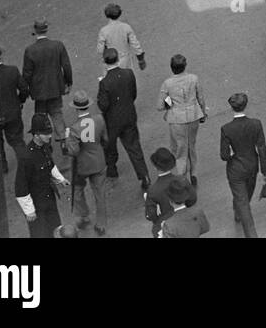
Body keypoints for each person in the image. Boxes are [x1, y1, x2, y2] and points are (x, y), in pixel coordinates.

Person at [220, 92, 266, 239]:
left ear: (231, 108)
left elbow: (224, 155)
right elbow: (261, 147)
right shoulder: (256, 124)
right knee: (246, 196)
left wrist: (231, 153)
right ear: (246, 105)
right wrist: (265, 171)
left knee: (242, 201)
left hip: (235, 170)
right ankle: (240, 213)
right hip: (252, 166)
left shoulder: (226, 129)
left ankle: (242, 217)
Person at [97, 46, 149, 190]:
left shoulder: (104, 82)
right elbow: (133, 94)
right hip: (129, 115)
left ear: (105, 62)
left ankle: (112, 169)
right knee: (134, 147)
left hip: (112, 121)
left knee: (110, 145)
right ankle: (144, 175)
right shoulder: (129, 74)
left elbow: (103, 105)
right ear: (118, 59)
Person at [14, 113, 68, 238]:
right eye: (46, 133)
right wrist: (29, 211)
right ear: (36, 134)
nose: (50, 136)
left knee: (56, 231)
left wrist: (60, 179)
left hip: (49, 199)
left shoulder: (44, 147)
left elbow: (50, 164)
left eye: (50, 132)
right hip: (36, 205)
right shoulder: (26, 157)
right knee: (40, 234)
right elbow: (20, 186)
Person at [159, 53, 207, 183]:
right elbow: (201, 98)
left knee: (180, 148)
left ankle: (181, 175)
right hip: (193, 115)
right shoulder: (194, 78)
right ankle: (194, 172)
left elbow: (160, 106)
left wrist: (169, 104)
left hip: (176, 119)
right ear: (185, 66)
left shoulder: (167, 83)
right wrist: (203, 113)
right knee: (191, 144)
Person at [23, 19, 73, 144]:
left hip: (39, 91)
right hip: (55, 87)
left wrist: (27, 88)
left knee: (41, 117)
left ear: (35, 30)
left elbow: (27, 73)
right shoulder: (58, 45)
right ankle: (64, 143)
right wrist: (68, 82)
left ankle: (44, 144)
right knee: (57, 114)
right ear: (46, 29)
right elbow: (66, 65)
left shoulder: (30, 50)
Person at [66, 89, 108, 235]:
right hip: (98, 161)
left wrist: (68, 140)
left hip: (82, 166)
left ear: (76, 108)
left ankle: (84, 215)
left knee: (77, 190)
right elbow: (105, 139)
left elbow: (74, 151)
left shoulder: (74, 128)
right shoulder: (99, 119)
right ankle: (101, 224)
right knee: (100, 194)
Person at [0, 45, 29, 173]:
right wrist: (20, 101)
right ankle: (25, 165)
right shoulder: (12, 70)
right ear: (1, 56)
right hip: (13, 112)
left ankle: (3, 167)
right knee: (18, 141)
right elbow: (24, 89)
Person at [98, 3, 146, 71]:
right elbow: (135, 44)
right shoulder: (126, 27)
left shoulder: (103, 31)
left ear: (107, 15)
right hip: (125, 60)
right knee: (129, 79)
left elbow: (100, 50)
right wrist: (141, 59)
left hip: (111, 62)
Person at [145, 148, 181, 237]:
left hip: (164, 226)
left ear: (155, 166)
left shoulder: (152, 190)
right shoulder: (181, 180)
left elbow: (150, 215)